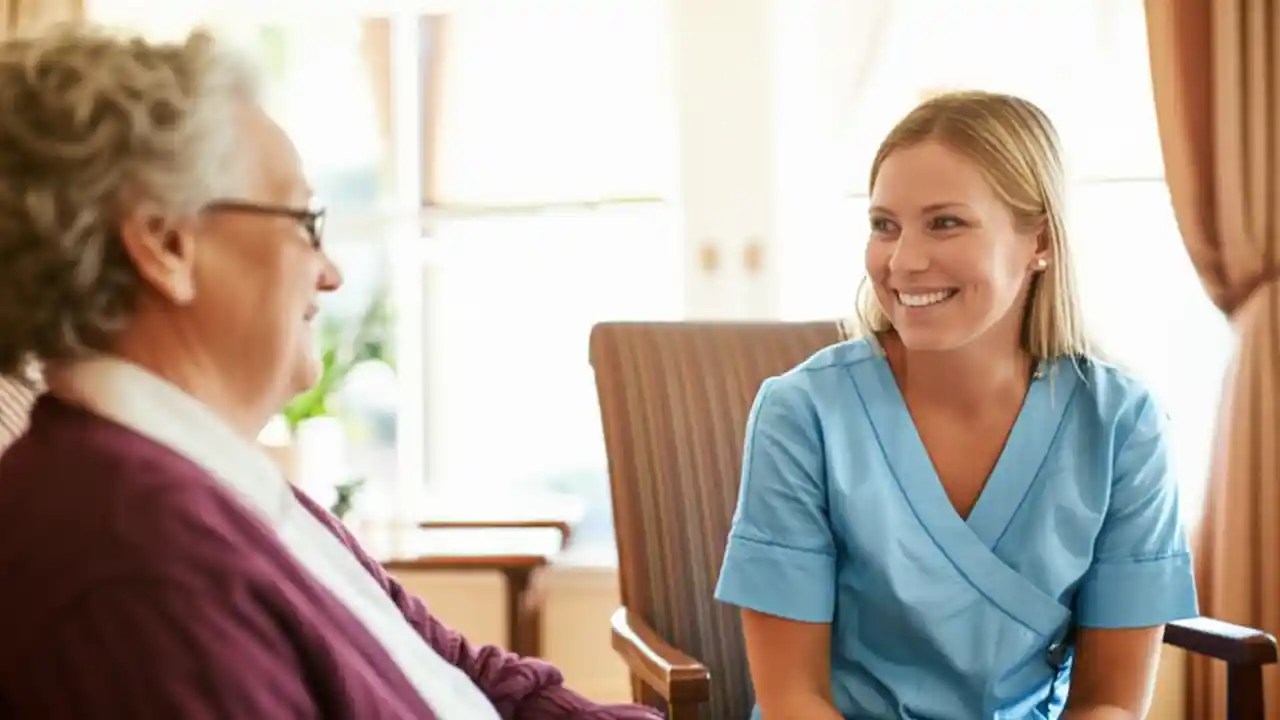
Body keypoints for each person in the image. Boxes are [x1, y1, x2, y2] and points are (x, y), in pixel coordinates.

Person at [0, 26, 659, 720]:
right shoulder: (130, 563)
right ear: (167, 244)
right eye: (305, 220)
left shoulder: (224, 489)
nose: (332, 273)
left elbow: (462, 676)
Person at [714, 91, 1197, 719]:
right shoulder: (801, 414)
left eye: (945, 222)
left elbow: (1110, 703)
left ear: (1040, 242)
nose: (903, 261)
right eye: (884, 224)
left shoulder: (1122, 425)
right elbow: (792, 700)